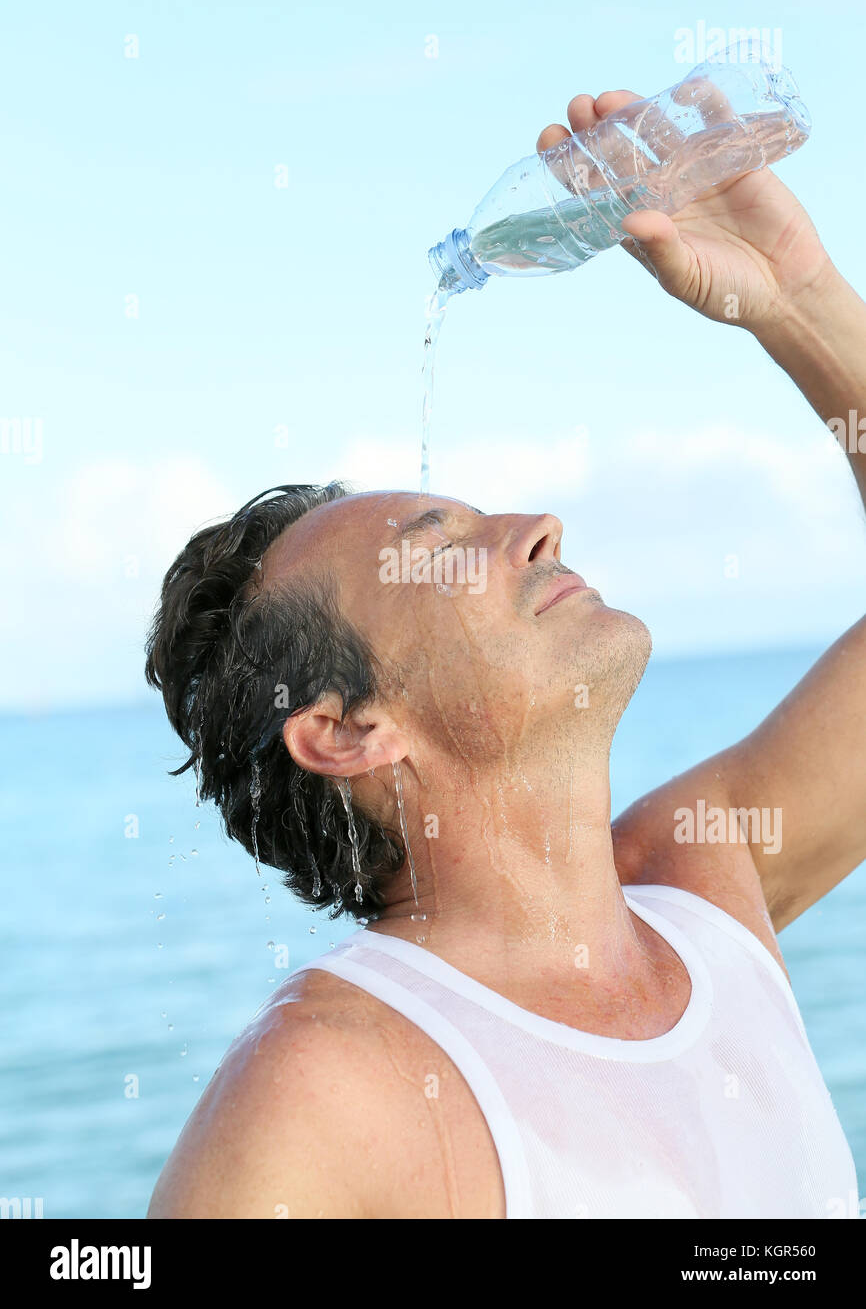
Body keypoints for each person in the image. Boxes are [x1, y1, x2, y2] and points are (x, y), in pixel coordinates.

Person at [145, 86, 865, 1219]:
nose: (535, 524)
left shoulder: (705, 881)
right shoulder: (326, 1089)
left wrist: (797, 300)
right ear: (342, 730)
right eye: (438, 542)